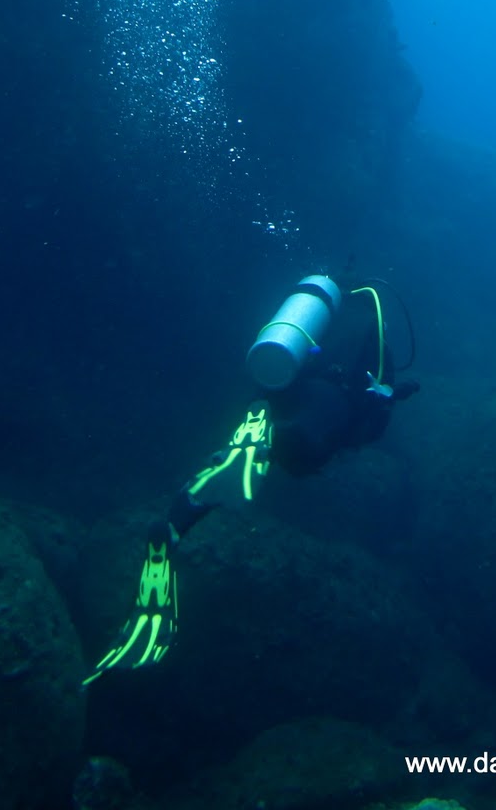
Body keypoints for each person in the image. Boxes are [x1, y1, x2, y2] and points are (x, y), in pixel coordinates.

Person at [85, 275, 419, 683]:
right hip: (328, 402)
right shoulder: (373, 330)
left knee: (254, 439)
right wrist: (387, 400)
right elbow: (367, 423)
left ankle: (178, 522)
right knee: (303, 448)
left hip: (279, 385)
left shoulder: (315, 319)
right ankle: (265, 441)